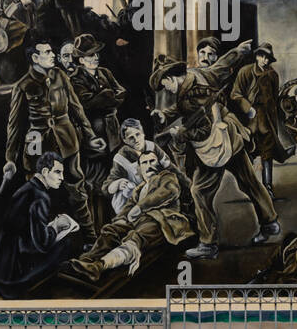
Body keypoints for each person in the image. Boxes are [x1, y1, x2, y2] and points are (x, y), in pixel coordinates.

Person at [155, 59, 279, 259]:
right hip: (230, 136)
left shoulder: (191, 91)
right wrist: (165, 115)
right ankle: (270, 221)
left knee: (200, 191)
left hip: (216, 145)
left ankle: (207, 243)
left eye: (165, 85)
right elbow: (188, 109)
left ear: (170, 78)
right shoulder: (192, 80)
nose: (166, 90)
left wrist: (182, 133)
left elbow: (202, 128)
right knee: (249, 181)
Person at [3, 39, 105, 242]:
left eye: (52, 51)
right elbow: (14, 125)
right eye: (47, 52)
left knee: (77, 188)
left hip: (67, 140)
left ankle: (90, 238)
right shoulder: (23, 86)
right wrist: (10, 159)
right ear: (35, 58)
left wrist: (90, 137)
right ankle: (42, 241)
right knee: (37, 194)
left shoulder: (60, 75)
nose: (52, 55)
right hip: (36, 143)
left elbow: (76, 108)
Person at [66, 148, 193, 283]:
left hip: (161, 221)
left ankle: (99, 266)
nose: (148, 165)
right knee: (111, 230)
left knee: (136, 236)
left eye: (152, 161)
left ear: (158, 164)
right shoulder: (139, 189)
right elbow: (127, 209)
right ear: (140, 168)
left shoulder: (167, 177)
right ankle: (86, 261)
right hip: (137, 222)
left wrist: (140, 207)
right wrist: (120, 220)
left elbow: (166, 192)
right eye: (144, 163)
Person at [0, 152, 79, 298]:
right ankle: (46, 290)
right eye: (57, 172)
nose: (62, 177)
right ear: (44, 172)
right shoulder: (40, 197)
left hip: (2, 274)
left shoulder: (26, 189)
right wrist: (57, 226)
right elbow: (42, 243)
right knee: (66, 243)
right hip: (15, 280)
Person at [230, 44, 287, 194]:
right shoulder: (245, 72)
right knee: (248, 151)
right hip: (249, 118)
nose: (264, 60)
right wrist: (248, 108)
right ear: (256, 56)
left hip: (267, 118)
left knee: (267, 152)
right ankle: (251, 187)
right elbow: (235, 94)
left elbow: (274, 98)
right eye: (261, 56)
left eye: (267, 57)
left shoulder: (273, 75)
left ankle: (267, 185)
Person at [70, 34, 126, 151]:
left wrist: (106, 98)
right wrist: (107, 95)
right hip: (94, 127)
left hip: (112, 123)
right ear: (81, 60)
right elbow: (87, 103)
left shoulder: (105, 72)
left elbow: (121, 92)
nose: (96, 57)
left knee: (116, 153)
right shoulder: (76, 79)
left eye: (96, 54)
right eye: (91, 55)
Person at [106, 119, 173, 215]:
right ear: (125, 140)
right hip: (133, 198)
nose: (136, 140)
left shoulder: (152, 147)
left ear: (143, 133)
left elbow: (170, 167)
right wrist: (117, 183)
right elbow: (108, 186)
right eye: (131, 138)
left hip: (155, 192)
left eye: (138, 134)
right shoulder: (121, 158)